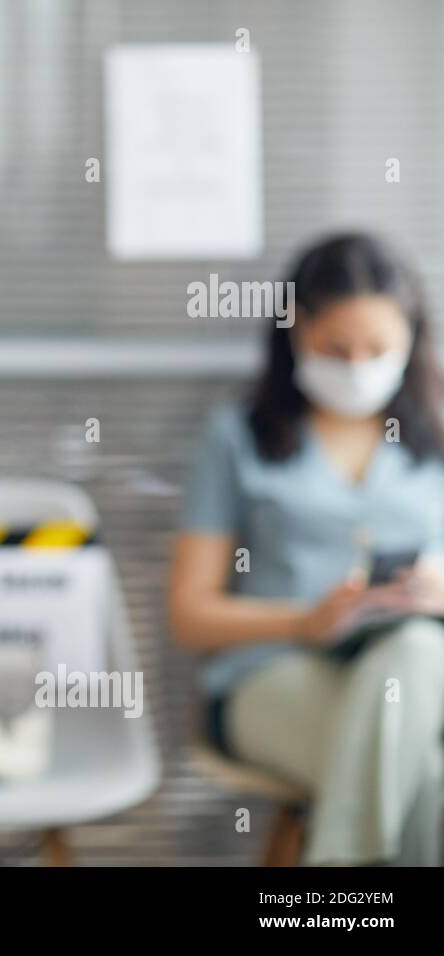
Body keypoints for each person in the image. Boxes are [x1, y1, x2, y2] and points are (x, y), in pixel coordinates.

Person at [169, 233, 444, 866]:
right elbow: (190, 615)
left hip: (413, 664)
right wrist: (305, 620)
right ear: (294, 337)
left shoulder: (432, 432)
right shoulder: (235, 437)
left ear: (412, 341)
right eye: (334, 349)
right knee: (421, 768)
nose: (356, 367)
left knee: (418, 648)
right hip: (270, 673)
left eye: (377, 350)